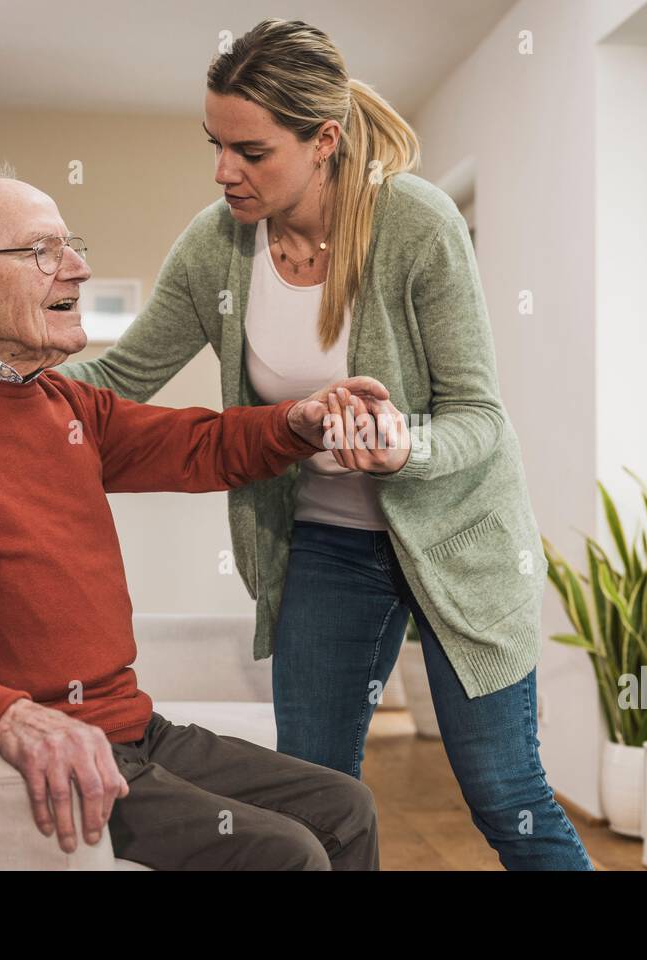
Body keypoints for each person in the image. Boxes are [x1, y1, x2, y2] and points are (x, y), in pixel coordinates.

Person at [56, 19, 593, 870]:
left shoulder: (417, 225)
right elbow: (121, 379)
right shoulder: (216, 247)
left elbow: (480, 419)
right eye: (215, 144)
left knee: (506, 794)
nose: (224, 170)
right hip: (325, 548)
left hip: (456, 542)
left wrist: (398, 446)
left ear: (324, 141)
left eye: (251, 150)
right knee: (315, 794)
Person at [0, 164, 392, 870]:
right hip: (15, 759)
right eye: (42, 251)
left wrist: (301, 419)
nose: (76, 268)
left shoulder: (57, 401)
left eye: (72, 246)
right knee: (281, 855)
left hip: (126, 730)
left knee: (344, 807)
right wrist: (2, 715)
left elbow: (197, 444)